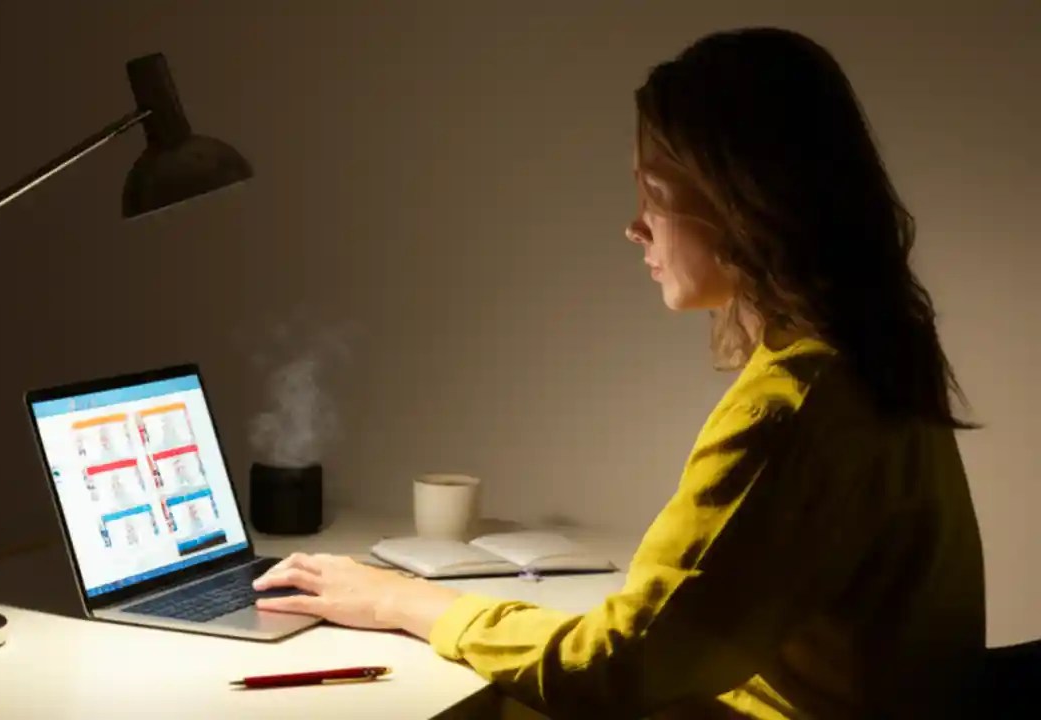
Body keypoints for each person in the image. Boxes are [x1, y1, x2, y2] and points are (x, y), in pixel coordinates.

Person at [252, 27, 986, 719]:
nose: (635, 226)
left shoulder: (791, 407)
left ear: (742, 203)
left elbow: (616, 664)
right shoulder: (868, 361)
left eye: (654, 192)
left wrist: (396, 602)